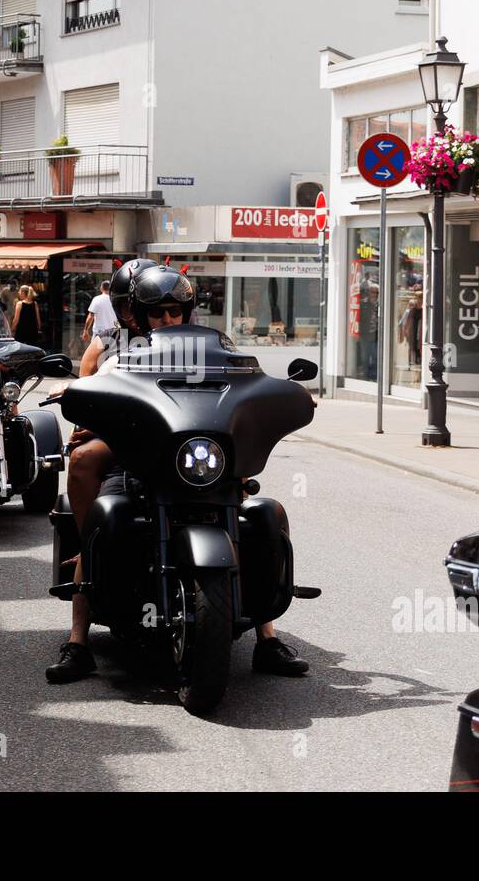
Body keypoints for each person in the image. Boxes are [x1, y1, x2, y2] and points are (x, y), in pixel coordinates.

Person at [46, 266, 309, 684]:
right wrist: (80, 395)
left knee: (260, 515)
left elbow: (246, 379)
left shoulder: (218, 348)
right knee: (105, 519)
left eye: (175, 311)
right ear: (139, 314)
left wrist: (283, 391)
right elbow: (101, 387)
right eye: (157, 313)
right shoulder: (123, 355)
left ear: (188, 311)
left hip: (199, 458)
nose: (168, 320)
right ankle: (77, 642)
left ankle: (267, 636)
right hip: (142, 459)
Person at [82, 280, 117, 344]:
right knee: (111, 354)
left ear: (101, 288)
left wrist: (85, 330)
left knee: (96, 354)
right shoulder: (115, 300)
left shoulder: (97, 299)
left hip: (99, 335)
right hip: (113, 335)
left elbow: (90, 317)